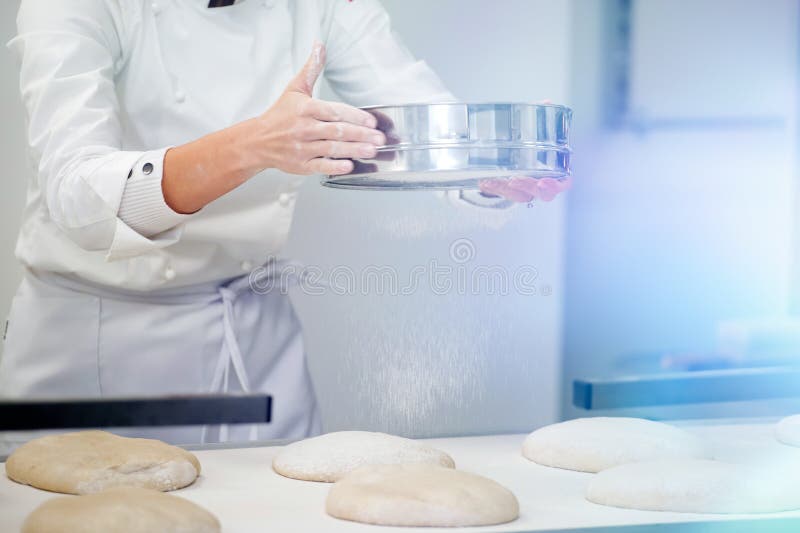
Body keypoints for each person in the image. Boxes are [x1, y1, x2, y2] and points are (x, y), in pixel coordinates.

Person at [0, 0, 562, 448]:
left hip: (251, 333)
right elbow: (78, 196)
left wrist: (492, 171)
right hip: (90, 339)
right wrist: (250, 146)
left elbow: (420, 128)